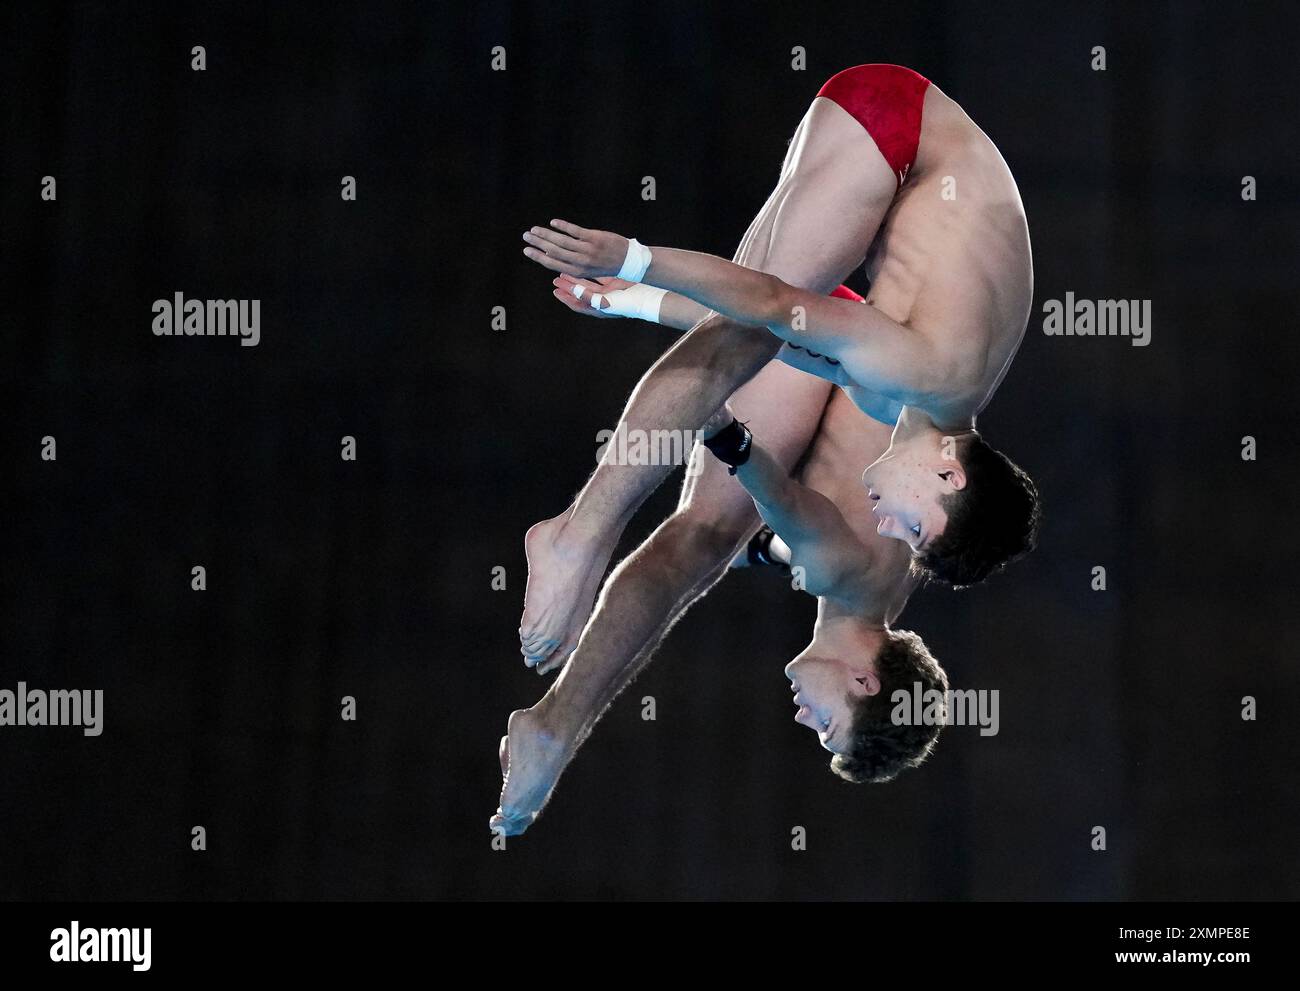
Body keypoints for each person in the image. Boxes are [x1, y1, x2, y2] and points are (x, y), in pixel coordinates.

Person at [517, 63, 1039, 670]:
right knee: (741, 340)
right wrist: (635, 259)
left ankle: (578, 537)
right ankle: (576, 536)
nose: (889, 528)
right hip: (896, 120)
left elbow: (796, 326)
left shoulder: (911, 397)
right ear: (952, 476)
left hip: (913, 152)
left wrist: (631, 299)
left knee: (746, 338)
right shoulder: (922, 379)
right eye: (915, 529)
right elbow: (772, 304)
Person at [490, 404, 948, 836]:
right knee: (699, 538)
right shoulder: (844, 576)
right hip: (846, 352)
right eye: (825, 725)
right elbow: (780, 499)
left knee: (707, 548)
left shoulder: (879, 594)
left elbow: (802, 533)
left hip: (858, 364)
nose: (804, 716)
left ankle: (561, 723)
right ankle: (557, 722)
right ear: (865, 682)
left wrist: (755, 548)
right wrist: (726, 433)